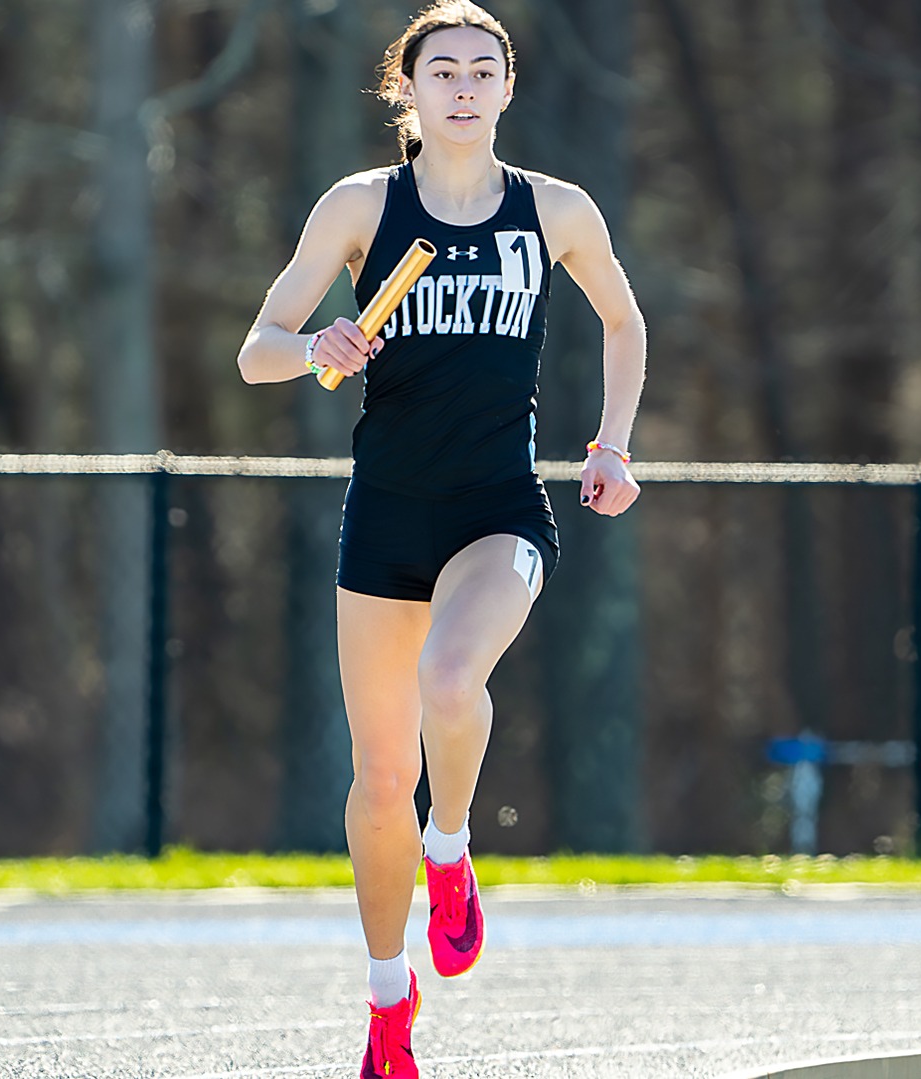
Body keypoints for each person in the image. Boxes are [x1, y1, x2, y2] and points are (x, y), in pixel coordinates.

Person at [235, 3, 646, 1073]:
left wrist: (611, 443)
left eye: (481, 70)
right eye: (442, 71)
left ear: (507, 88)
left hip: (497, 508)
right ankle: (388, 1000)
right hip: (387, 514)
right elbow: (257, 351)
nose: (463, 87)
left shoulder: (554, 210)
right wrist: (316, 344)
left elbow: (624, 318)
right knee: (379, 779)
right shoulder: (360, 205)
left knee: (451, 678)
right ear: (406, 89)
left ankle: (451, 846)